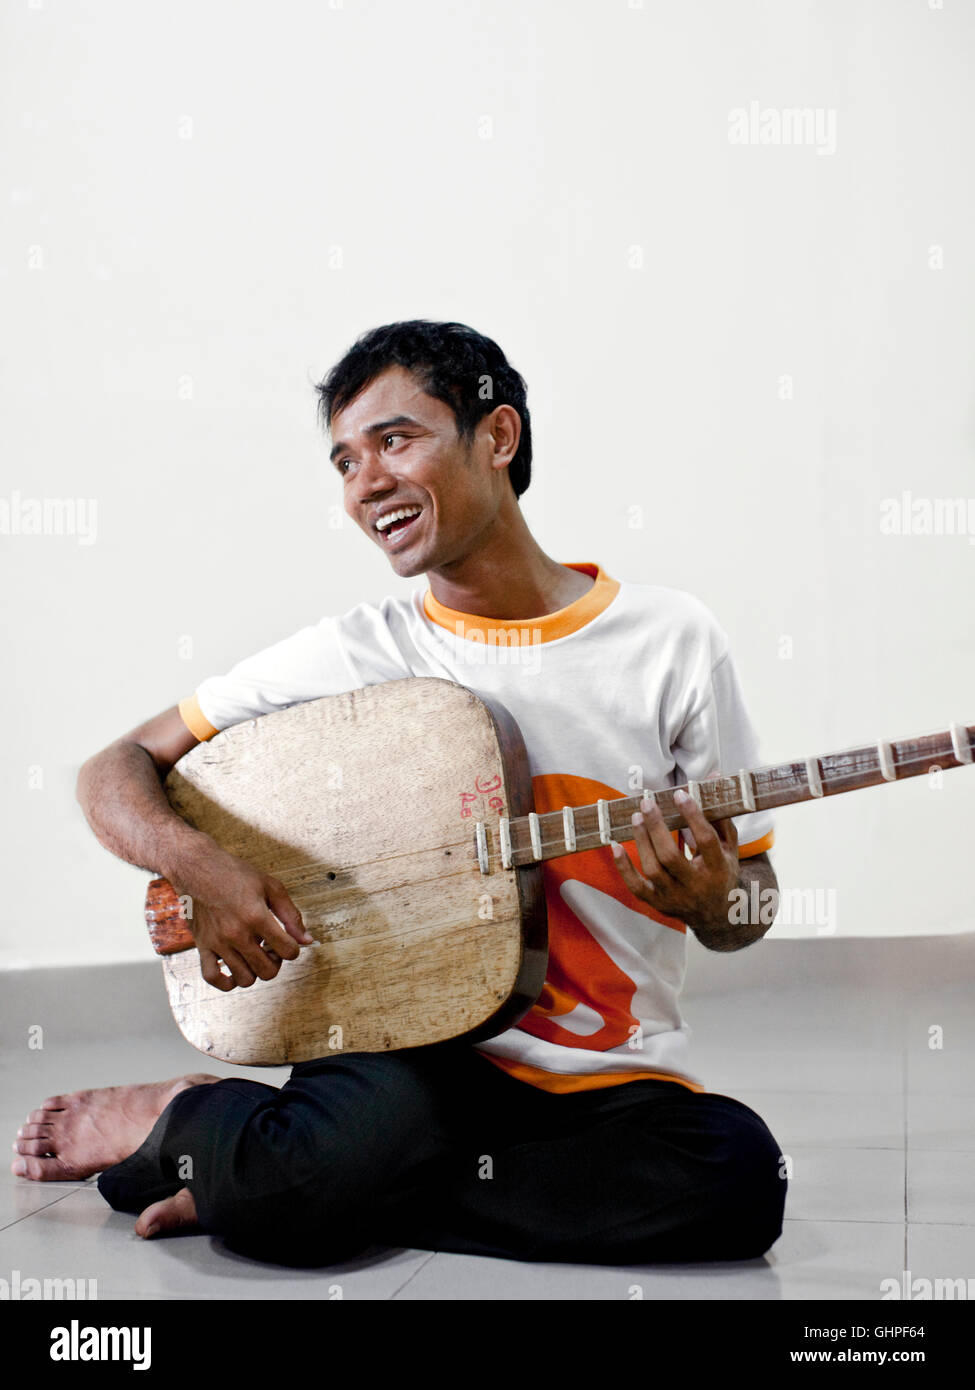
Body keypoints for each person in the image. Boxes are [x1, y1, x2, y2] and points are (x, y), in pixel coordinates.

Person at [12, 320, 786, 1267]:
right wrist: (200, 865)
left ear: (496, 439)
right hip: (405, 1048)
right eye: (344, 460)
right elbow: (113, 768)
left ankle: (239, 1159)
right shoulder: (357, 651)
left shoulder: (672, 640)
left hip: (598, 1081)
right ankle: (235, 1143)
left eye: (395, 439)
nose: (364, 483)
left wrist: (713, 902)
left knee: (740, 1181)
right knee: (341, 1165)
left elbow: (748, 906)